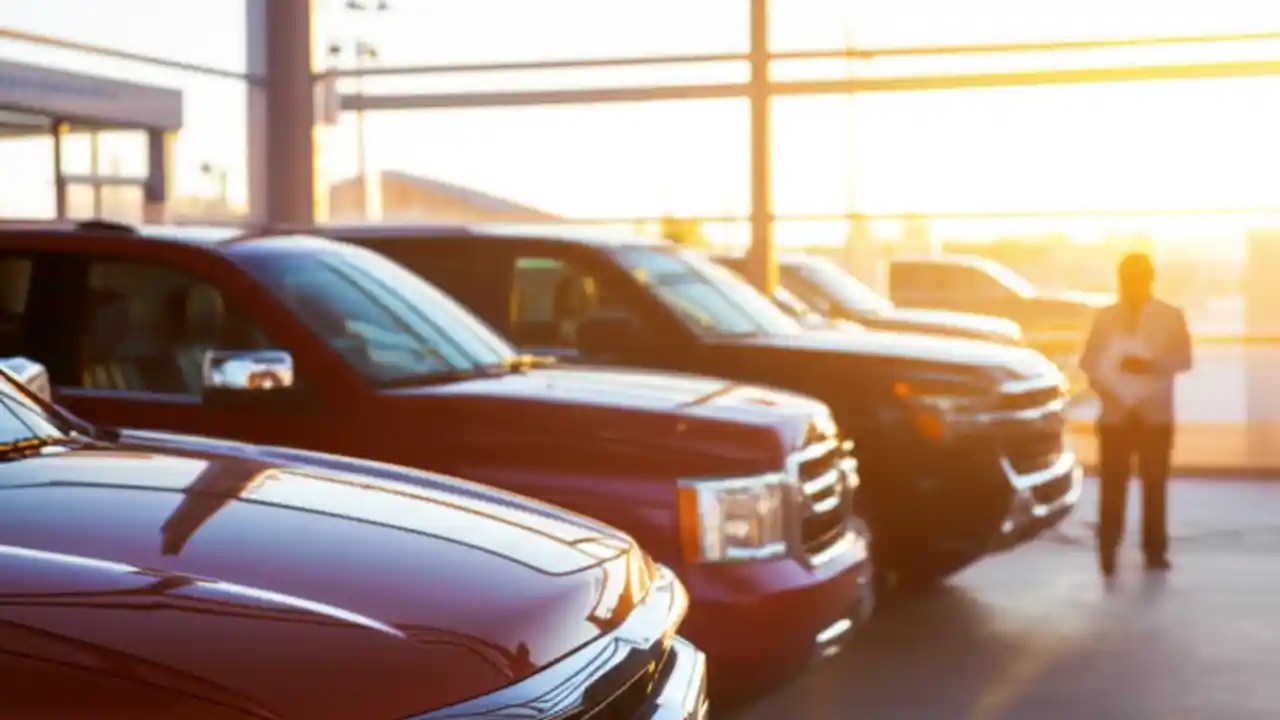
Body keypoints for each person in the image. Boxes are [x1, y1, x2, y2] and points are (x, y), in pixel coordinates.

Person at [1079, 253, 1192, 577]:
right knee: (1112, 485)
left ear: (1150, 279)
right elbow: (1088, 359)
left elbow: (1185, 358)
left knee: (1154, 485)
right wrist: (1104, 380)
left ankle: (1154, 551)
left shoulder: (1170, 316)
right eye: (1127, 278)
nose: (1131, 285)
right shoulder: (1105, 317)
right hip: (1115, 413)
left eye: (1138, 278)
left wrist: (1152, 366)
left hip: (1154, 415)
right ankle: (1108, 549)